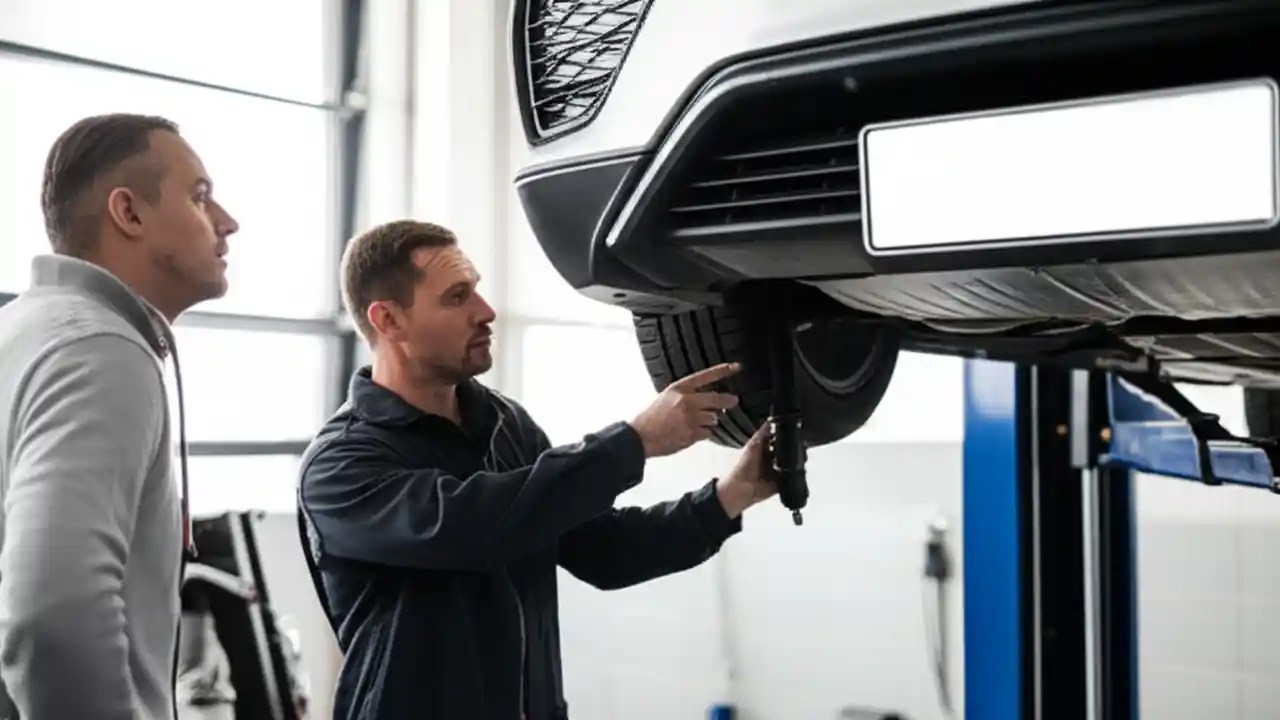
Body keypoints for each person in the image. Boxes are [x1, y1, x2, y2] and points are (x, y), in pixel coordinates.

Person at [298, 219, 779, 719]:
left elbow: (602, 551)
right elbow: (470, 528)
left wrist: (732, 493)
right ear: (389, 321)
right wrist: (634, 442)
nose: (485, 312)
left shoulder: (506, 425)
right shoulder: (341, 466)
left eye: (477, 290)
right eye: (457, 297)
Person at [0, 113, 240, 719]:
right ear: (128, 213)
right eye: (200, 196)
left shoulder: (26, 330)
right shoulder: (100, 351)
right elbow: (53, 615)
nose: (227, 222)